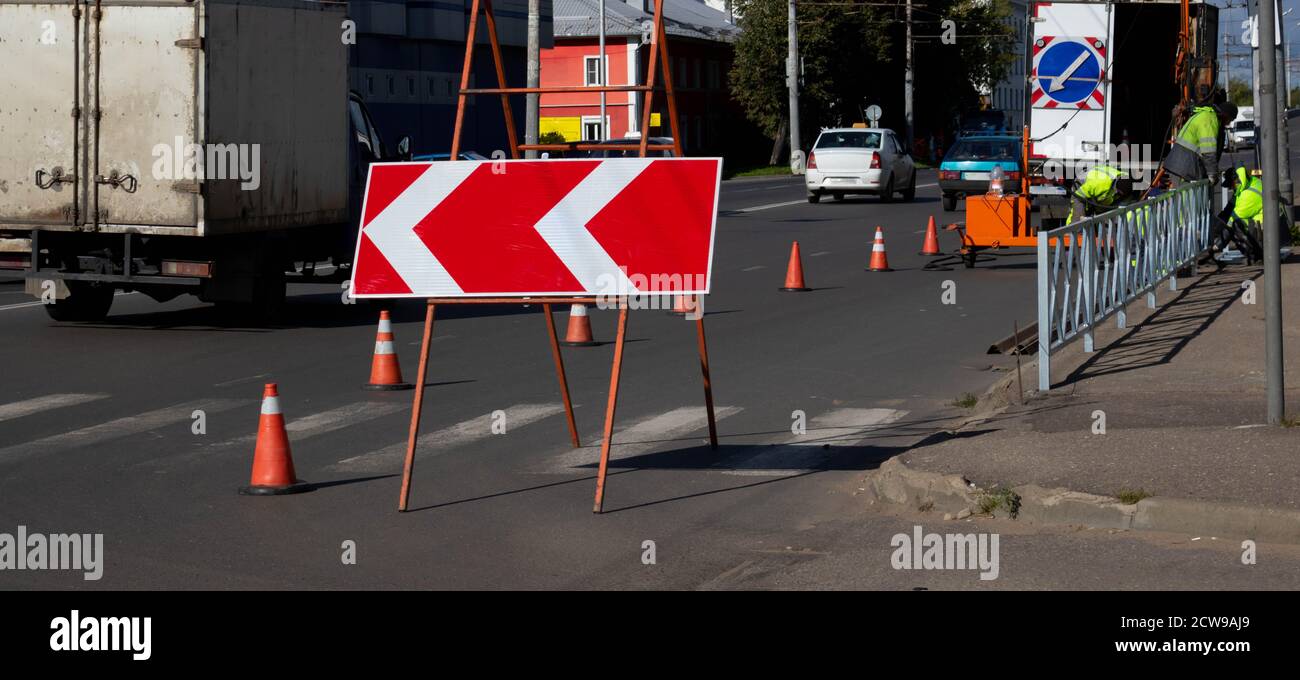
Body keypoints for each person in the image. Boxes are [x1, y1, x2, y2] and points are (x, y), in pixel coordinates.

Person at [1163, 101, 1237, 185]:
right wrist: (1212, 174)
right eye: (1230, 120)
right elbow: (1208, 152)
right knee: (1186, 197)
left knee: (1185, 197)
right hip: (1183, 168)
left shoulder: (1205, 115)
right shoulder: (1210, 119)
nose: (1228, 123)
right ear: (1226, 115)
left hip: (1180, 166)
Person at [1217, 166, 1271, 264]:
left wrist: (1218, 245)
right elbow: (1230, 206)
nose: (1229, 188)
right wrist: (1218, 220)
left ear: (1236, 181)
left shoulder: (1247, 196)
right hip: (1273, 227)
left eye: (1230, 185)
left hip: (1269, 233)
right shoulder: (1250, 182)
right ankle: (1259, 252)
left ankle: (1257, 256)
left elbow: (1231, 223)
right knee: (1235, 224)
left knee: (1236, 226)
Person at [1067, 164, 1134, 223]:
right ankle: (1072, 234)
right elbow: (1077, 196)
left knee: (1101, 217)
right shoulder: (1100, 184)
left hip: (1097, 189)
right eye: (1120, 193)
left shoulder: (1125, 179)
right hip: (1081, 186)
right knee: (1079, 218)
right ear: (1117, 189)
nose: (1120, 196)